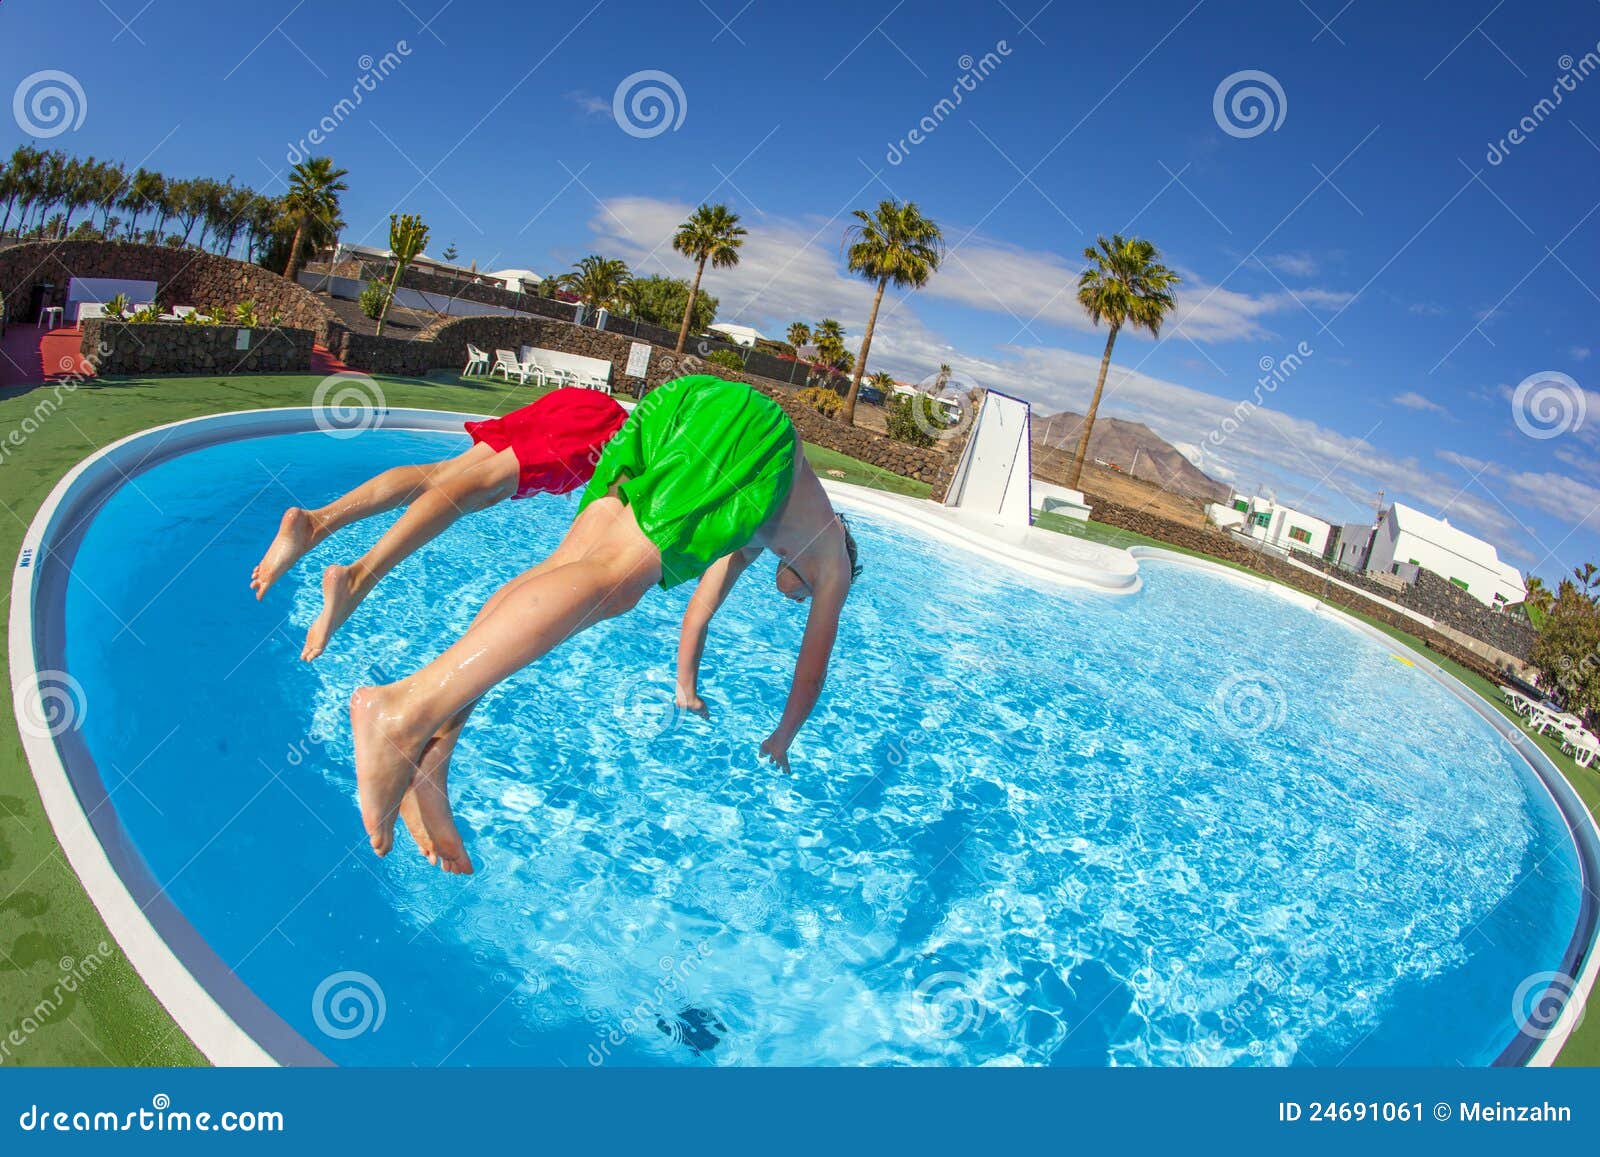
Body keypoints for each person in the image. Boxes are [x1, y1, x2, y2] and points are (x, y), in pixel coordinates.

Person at [347, 374, 861, 874]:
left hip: (690, 404)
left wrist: (686, 685)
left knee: (565, 570)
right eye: (806, 600)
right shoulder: (833, 563)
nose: (802, 600)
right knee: (617, 580)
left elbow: (700, 612)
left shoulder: (760, 527)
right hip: (745, 429)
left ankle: (433, 757)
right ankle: (401, 715)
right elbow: (810, 674)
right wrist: (784, 737)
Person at [250, 387, 627, 660]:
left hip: (585, 403)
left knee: (442, 474)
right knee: (477, 488)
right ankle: (359, 577)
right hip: (609, 429)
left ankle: (316, 523)